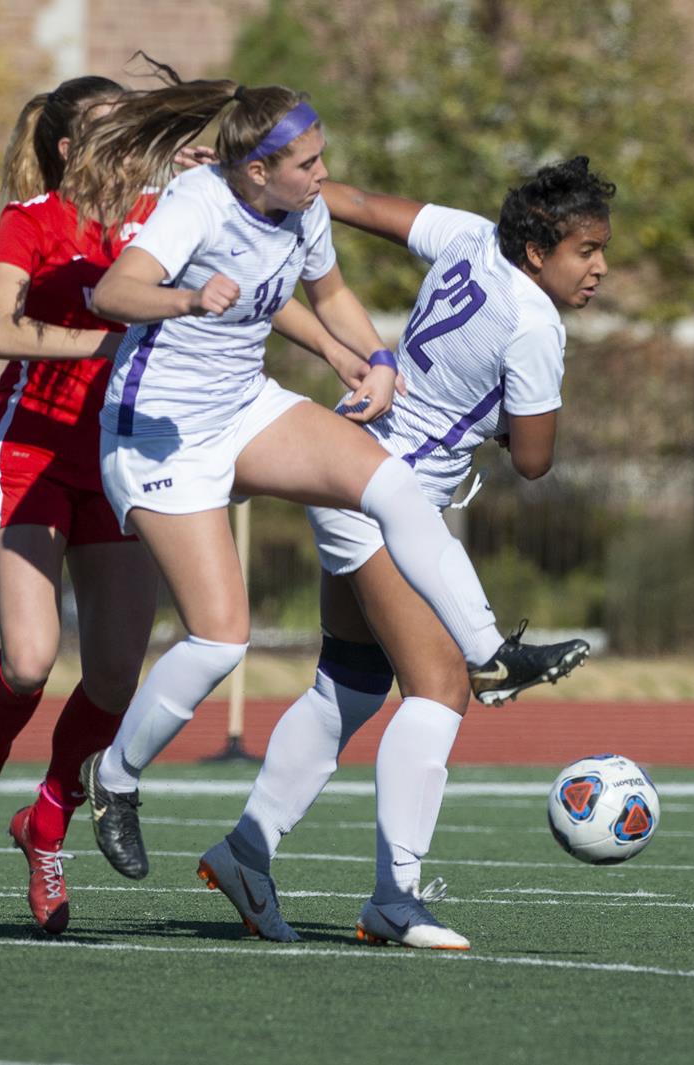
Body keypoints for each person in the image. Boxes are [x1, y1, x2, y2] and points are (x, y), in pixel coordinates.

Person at [66, 76, 584, 884]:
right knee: (220, 641)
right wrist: (188, 296)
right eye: (306, 163)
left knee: (387, 484)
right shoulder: (198, 202)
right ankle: (117, 777)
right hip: (160, 435)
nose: (322, 177)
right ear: (257, 171)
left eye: (322, 160)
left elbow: (331, 292)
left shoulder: (299, 206)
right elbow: (112, 290)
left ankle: (491, 650)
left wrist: (369, 357)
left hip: (244, 407)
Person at [0, 74, 367, 935]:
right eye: (114, 130)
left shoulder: (166, 207)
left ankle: (50, 819)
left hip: (125, 451)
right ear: (73, 148)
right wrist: (114, 333)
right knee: (29, 660)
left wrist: (334, 343)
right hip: (31, 449)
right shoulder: (32, 220)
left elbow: (255, 283)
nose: (136, 143)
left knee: (111, 676)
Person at [197, 157, 613, 950]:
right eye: (584, 250)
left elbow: (353, 201)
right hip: (389, 496)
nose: (599, 267)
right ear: (537, 249)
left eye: (601, 249)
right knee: (443, 686)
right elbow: (533, 460)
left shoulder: (468, 234)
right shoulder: (537, 325)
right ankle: (396, 896)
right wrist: (497, 408)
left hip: (346, 455)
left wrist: (283, 187)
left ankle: (247, 850)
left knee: (349, 685)